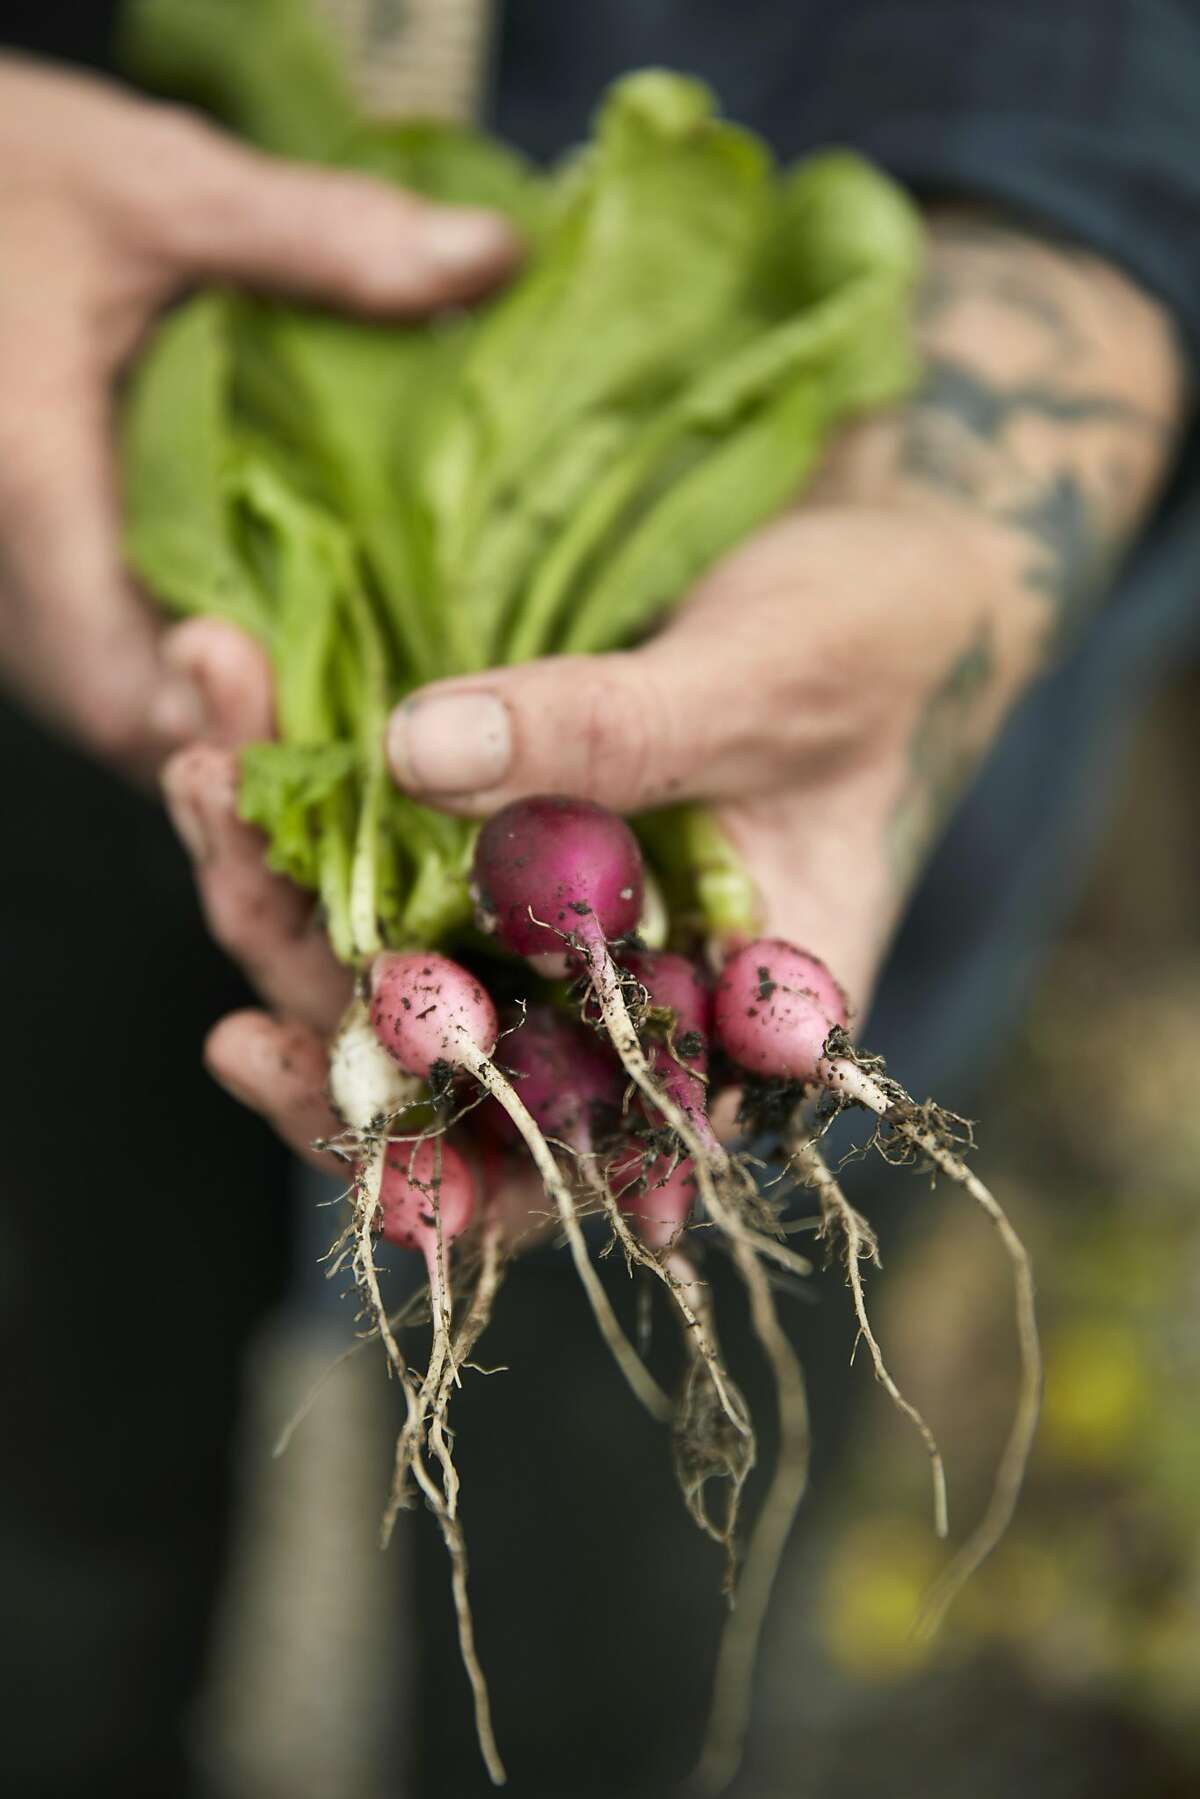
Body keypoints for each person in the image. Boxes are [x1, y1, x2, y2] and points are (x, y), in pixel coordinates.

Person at [1, 4, 1197, 1796]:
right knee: (54, 1476)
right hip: (66, 615)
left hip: (824, 778)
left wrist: (960, 517)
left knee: (634, 1589)